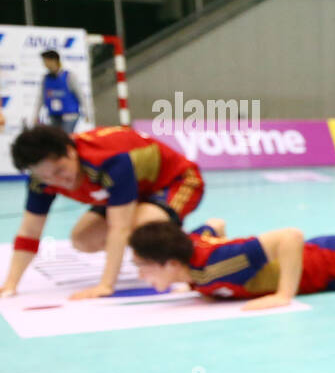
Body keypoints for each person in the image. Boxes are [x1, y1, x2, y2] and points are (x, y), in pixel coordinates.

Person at [2, 125, 204, 299]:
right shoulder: (41, 179)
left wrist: (106, 285)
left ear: (70, 151)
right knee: (83, 239)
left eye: (60, 171)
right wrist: (10, 285)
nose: (56, 181)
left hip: (177, 181)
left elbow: (120, 228)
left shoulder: (108, 161)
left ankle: (204, 238)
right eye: (46, 178)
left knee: (142, 228)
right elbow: (29, 232)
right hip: (133, 188)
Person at [129, 219, 335, 310]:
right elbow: (215, 225)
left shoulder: (218, 264)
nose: (140, 275)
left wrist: (283, 295)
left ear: (170, 264)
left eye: (143, 265)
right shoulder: (189, 260)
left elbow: (291, 236)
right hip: (322, 254)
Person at [33, 50, 84, 133]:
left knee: (65, 137)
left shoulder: (69, 76)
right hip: (54, 115)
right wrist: (36, 115)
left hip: (69, 115)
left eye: (46, 61)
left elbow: (80, 95)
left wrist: (88, 113)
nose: (44, 63)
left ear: (54, 60)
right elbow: (41, 98)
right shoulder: (46, 78)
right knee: (55, 138)